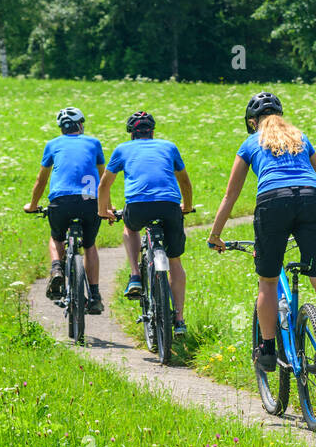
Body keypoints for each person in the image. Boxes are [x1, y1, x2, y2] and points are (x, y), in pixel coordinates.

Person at [207, 92, 316, 374]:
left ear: (253, 122)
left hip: (273, 202)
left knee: (267, 282)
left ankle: (267, 350)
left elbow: (230, 196)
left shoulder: (249, 142)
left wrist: (215, 234)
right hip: (312, 200)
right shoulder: (302, 138)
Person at [98, 111, 195, 336]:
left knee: (130, 228)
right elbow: (185, 182)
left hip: (138, 206)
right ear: (152, 131)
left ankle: (135, 276)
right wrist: (187, 206)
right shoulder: (169, 147)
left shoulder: (122, 149)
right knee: (175, 262)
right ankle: (179, 319)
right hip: (170, 206)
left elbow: (104, 185)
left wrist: (104, 212)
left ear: (131, 133)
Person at [24, 107, 105, 315]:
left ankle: (57, 268)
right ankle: (95, 295)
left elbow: (41, 180)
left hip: (61, 200)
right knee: (89, 245)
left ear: (61, 128)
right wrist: (107, 207)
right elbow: (102, 180)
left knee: (56, 237)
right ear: (81, 125)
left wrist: (33, 205)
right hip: (89, 200)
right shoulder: (94, 143)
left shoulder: (52, 144)